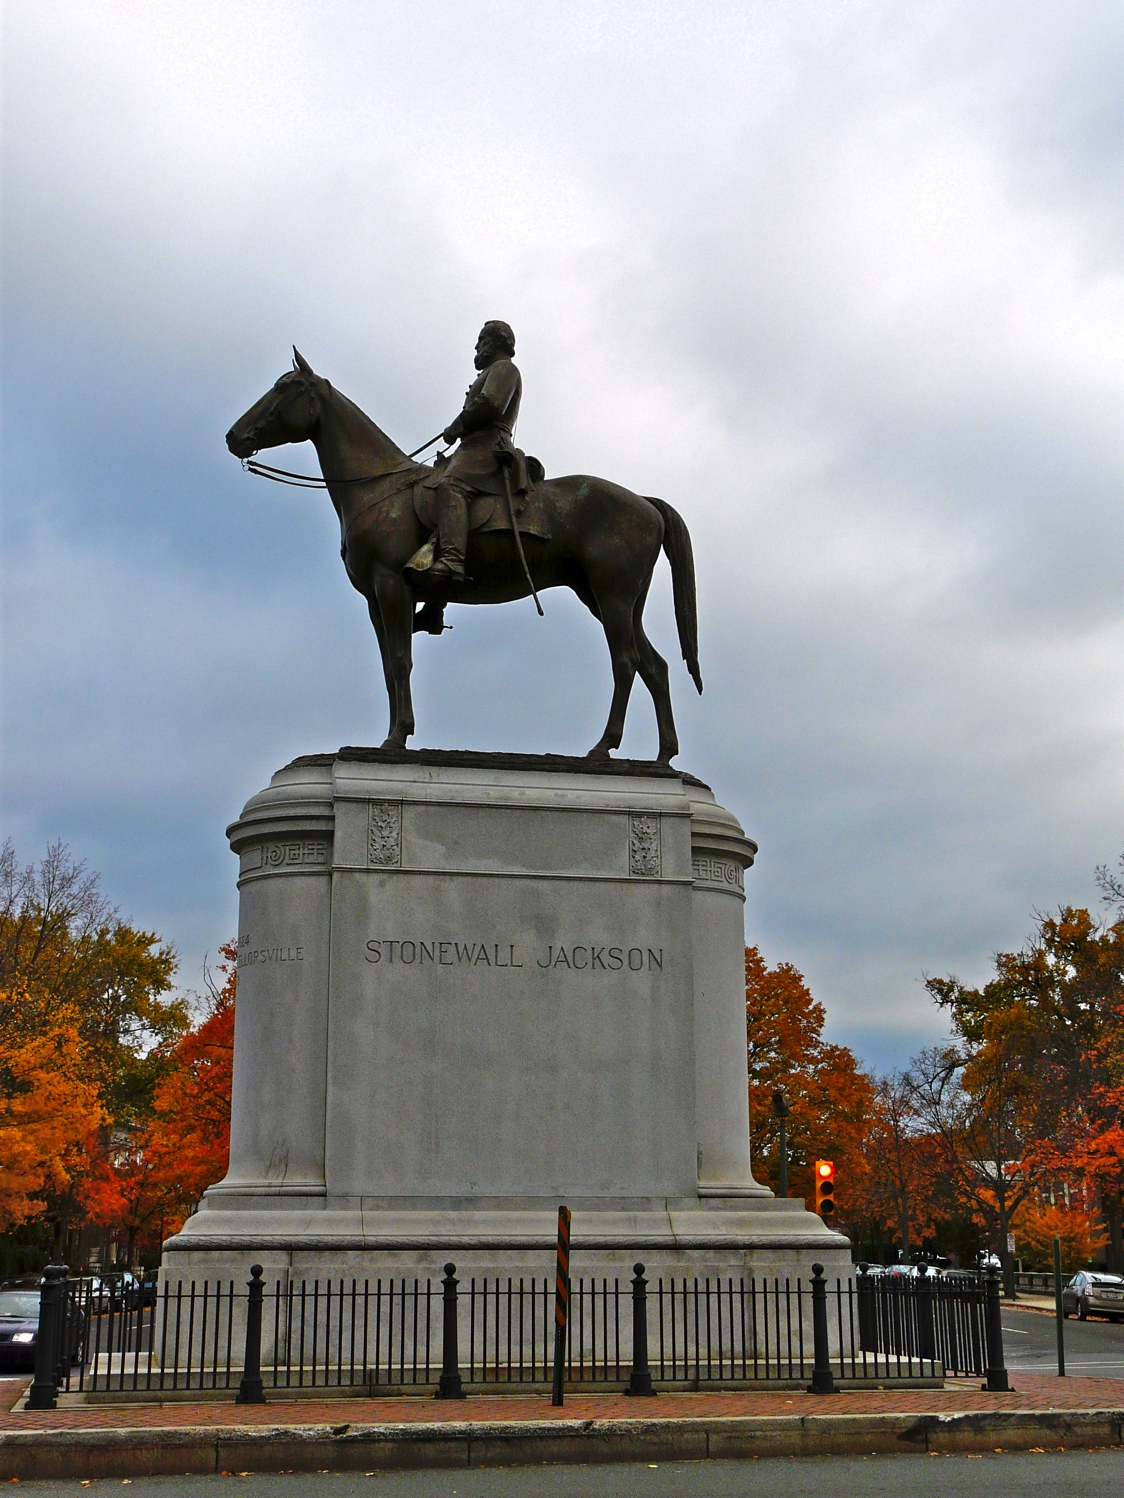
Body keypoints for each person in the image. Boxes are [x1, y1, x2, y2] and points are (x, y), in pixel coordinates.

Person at [421, 320, 522, 583]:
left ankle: (453, 560)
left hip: (487, 447)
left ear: (498, 342)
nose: (477, 346)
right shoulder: (491, 371)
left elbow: (490, 403)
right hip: (472, 447)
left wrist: (458, 425)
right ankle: (435, 601)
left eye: (481, 339)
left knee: (451, 486)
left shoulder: (504, 369)